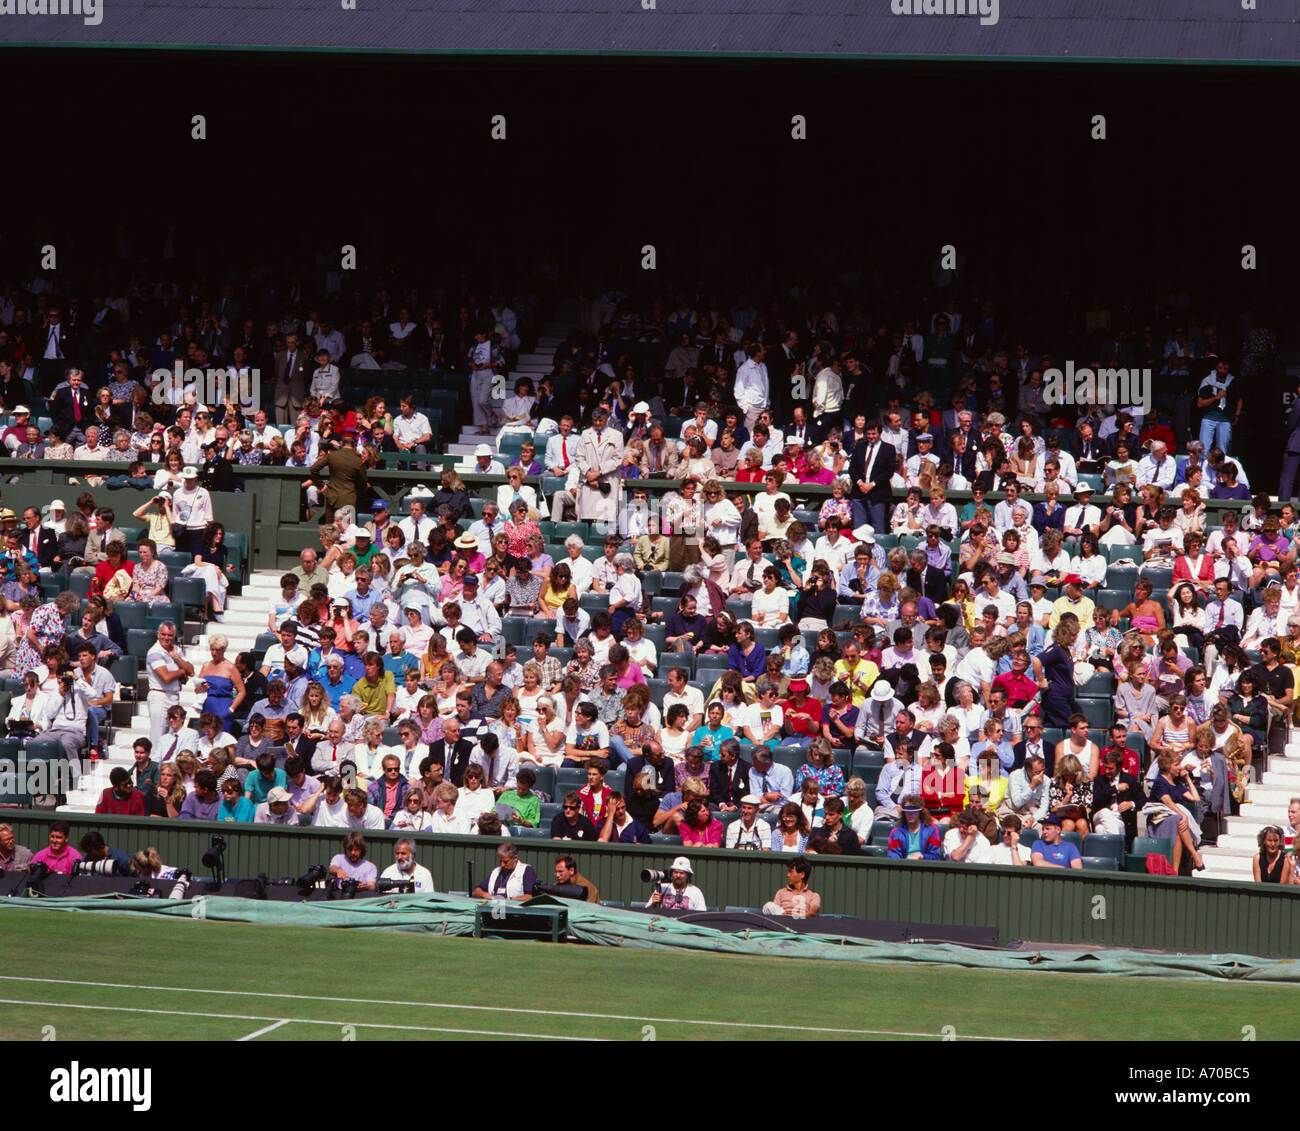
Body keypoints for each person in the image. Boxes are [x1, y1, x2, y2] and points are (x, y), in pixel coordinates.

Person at [473, 843, 537, 900]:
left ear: (515, 858)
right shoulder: (496, 872)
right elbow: (477, 891)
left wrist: (509, 900)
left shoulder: (526, 870)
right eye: (500, 861)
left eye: (505, 862)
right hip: (494, 907)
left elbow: (529, 897)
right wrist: (487, 896)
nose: (502, 865)